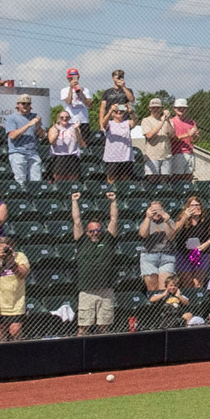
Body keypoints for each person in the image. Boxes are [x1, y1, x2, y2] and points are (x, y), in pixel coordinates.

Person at [72, 191, 120, 335]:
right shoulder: (82, 241)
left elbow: (114, 220)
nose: (95, 233)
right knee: (83, 328)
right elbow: (77, 221)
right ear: (87, 232)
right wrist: (74, 202)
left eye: (98, 230)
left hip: (106, 290)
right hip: (87, 290)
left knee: (104, 328)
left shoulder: (108, 240)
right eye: (91, 231)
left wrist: (113, 201)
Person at [136, 200, 179, 311]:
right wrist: (147, 218)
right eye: (153, 210)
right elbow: (143, 234)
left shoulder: (169, 221)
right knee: (153, 289)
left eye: (159, 210)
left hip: (166, 256)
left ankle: (166, 311)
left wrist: (166, 221)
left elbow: (171, 237)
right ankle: (155, 312)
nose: (156, 213)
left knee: (165, 287)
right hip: (149, 257)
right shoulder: (147, 221)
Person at [0, 240, 29, 342]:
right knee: (1, 337)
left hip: (16, 304)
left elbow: (22, 274)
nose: (5, 251)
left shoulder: (20, 256)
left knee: (15, 333)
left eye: (7, 248)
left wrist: (11, 261)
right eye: (2, 248)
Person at [4, 94, 45, 185]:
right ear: (18, 105)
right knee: (20, 181)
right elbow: (12, 136)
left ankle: (34, 198)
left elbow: (42, 136)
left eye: (28, 103)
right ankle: (21, 198)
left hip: (33, 152)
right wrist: (28, 125)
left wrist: (38, 125)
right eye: (23, 103)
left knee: (36, 180)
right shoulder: (12, 118)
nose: (26, 106)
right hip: (18, 152)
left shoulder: (35, 117)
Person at [135, 100, 173, 180]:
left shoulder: (167, 121)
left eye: (158, 107)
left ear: (161, 108)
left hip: (166, 155)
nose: (156, 109)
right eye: (153, 108)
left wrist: (168, 121)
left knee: (165, 179)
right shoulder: (146, 120)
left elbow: (172, 134)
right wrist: (162, 122)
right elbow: (149, 135)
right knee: (152, 179)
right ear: (149, 109)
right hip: (152, 156)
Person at [99, 101, 136, 180]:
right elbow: (103, 123)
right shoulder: (110, 123)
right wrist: (110, 111)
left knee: (125, 179)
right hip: (112, 157)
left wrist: (131, 111)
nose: (118, 112)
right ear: (113, 113)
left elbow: (135, 121)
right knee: (112, 178)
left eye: (121, 111)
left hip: (126, 157)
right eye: (116, 111)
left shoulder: (127, 123)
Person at [47, 107, 84, 181]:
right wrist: (57, 131)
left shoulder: (74, 127)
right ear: (58, 119)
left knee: (73, 179)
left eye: (67, 117)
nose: (64, 119)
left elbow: (79, 141)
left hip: (72, 156)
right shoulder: (54, 128)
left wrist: (76, 129)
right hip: (59, 157)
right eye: (62, 117)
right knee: (59, 179)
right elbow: (51, 141)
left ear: (69, 118)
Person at [167, 99, 199, 180]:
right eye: (179, 108)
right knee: (177, 177)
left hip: (190, 152)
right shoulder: (171, 122)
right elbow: (172, 138)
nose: (181, 109)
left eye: (183, 108)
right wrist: (187, 134)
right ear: (174, 109)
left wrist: (194, 136)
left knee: (189, 176)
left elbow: (196, 139)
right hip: (177, 152)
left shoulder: (191, 122)